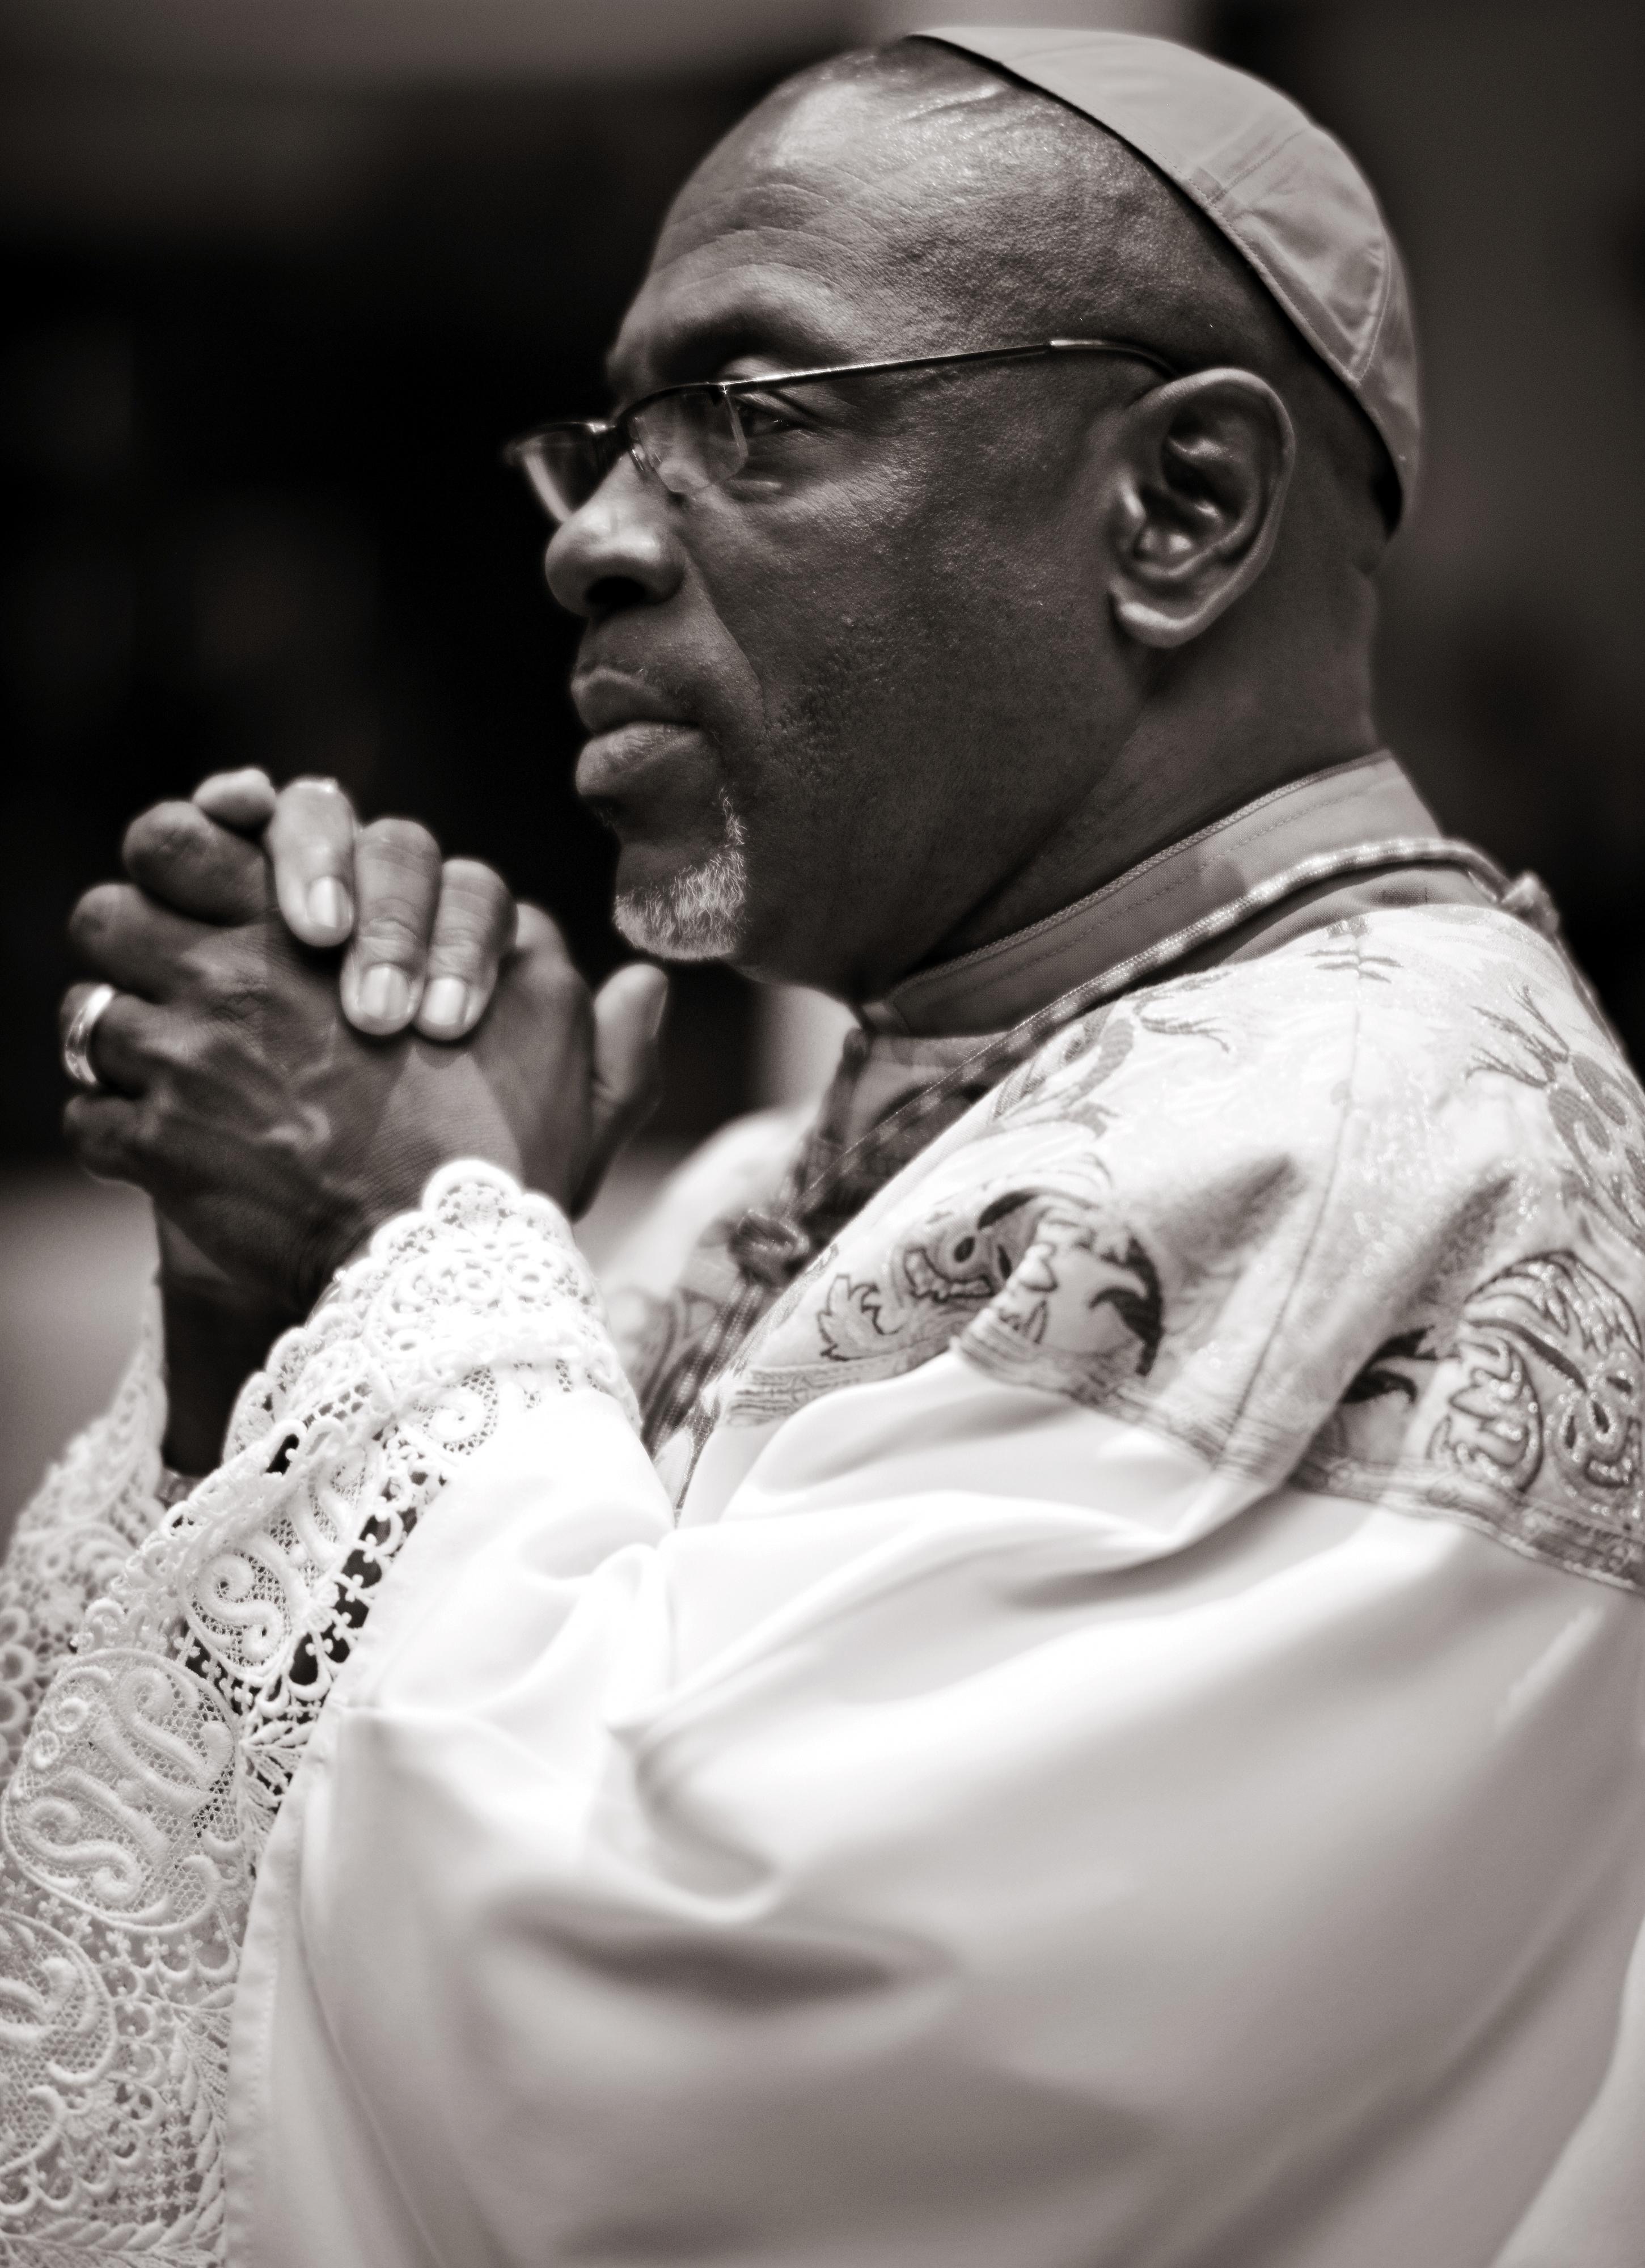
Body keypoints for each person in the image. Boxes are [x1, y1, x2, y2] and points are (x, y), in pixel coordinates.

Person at [4, 27, 1642, 2266]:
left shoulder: (1367, 1144)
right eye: (595, 440)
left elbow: (694, 2078)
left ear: (1178, 510)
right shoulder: (793, 1170)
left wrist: (424, 1240)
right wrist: (275, 1332)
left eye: (755, 418)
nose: (586, 539)